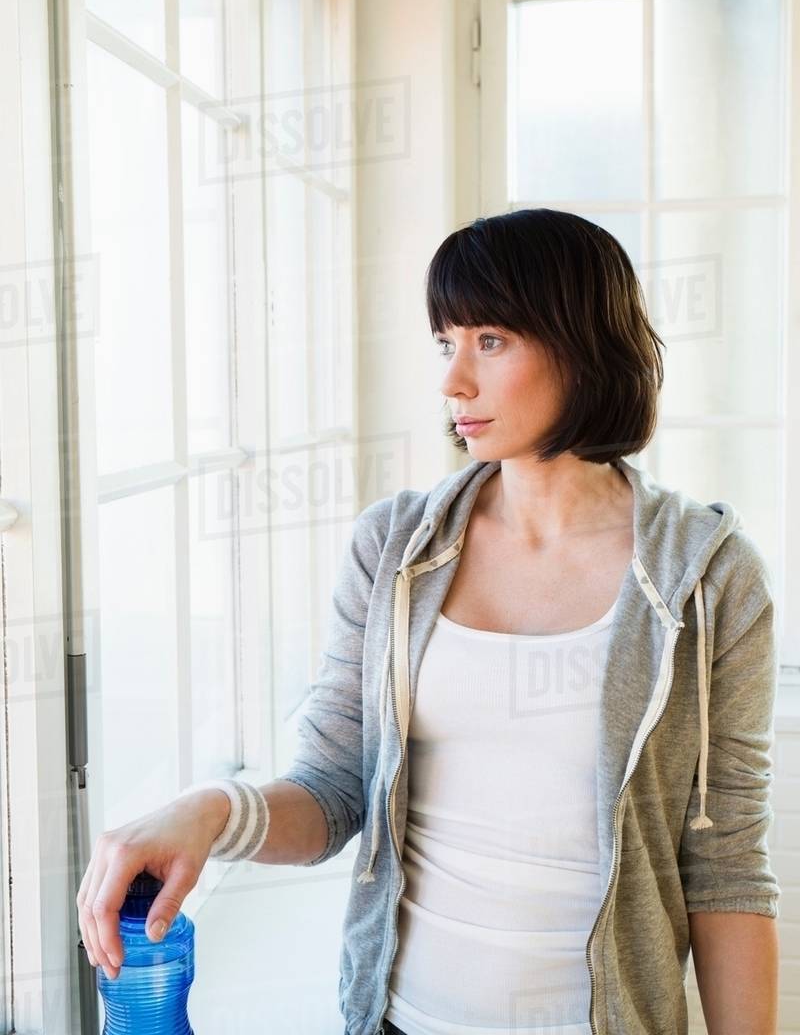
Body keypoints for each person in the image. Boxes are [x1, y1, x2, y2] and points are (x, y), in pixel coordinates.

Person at [77, 209, 781, 1035]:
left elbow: (725, 864)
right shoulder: (393, 549)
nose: (454, 381)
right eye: (446, 343)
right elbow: (332, 792)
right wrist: (207, 811)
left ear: (585, 345)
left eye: (491, 340)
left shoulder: (707, 577)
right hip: (400, 1020)